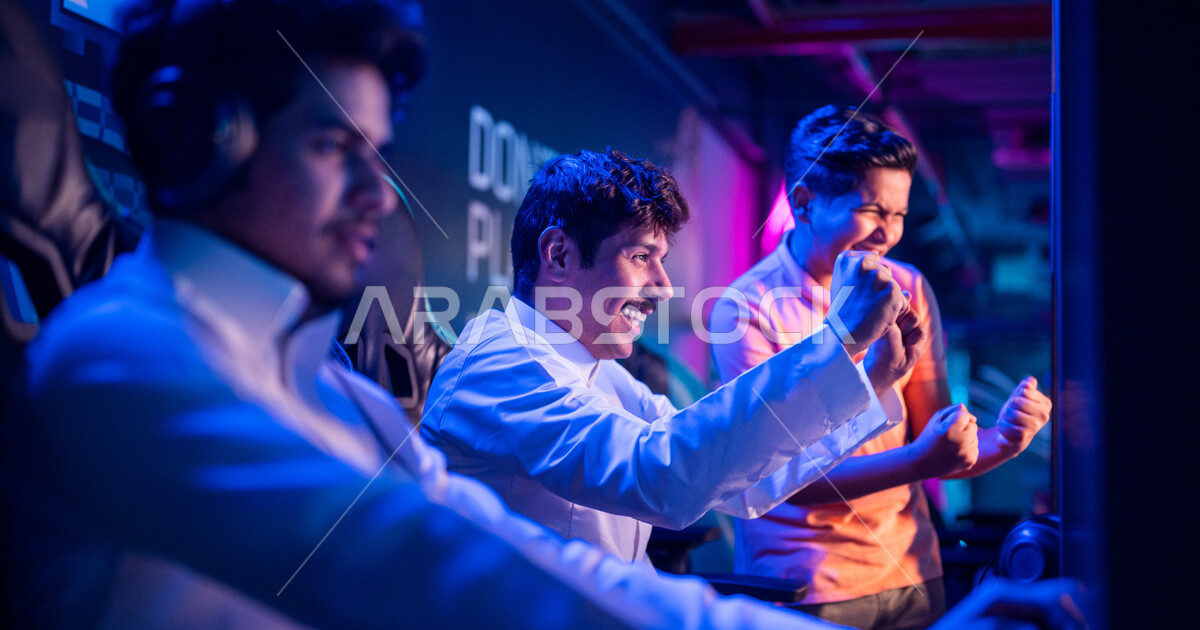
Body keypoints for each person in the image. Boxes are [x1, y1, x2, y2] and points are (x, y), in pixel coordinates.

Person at [0, 1, 840, 627]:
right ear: (205, 139)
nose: (376, 197)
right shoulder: (121, 357)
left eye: (378, 154)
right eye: (334, 147)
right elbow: (434, 561)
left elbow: (518, 545)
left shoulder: (333, 391)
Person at [420, 147, 925, 564]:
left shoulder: (601, 373)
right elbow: (661, 477)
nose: (662, 288)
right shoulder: (502, 365)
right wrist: (838, 339)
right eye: (641, 257)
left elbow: (740, 478)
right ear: (558, 255)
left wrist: (874, 377)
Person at [710, 105, 1053, 630]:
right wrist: (919, 460)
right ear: (804, 201)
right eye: (872, 211)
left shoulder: (909, 286)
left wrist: (1004, 439)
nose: (888, 234)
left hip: (912, 572)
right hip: (803, 586)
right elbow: (778, 478)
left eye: (898, 215)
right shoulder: (746, 307)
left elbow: (942, 443)